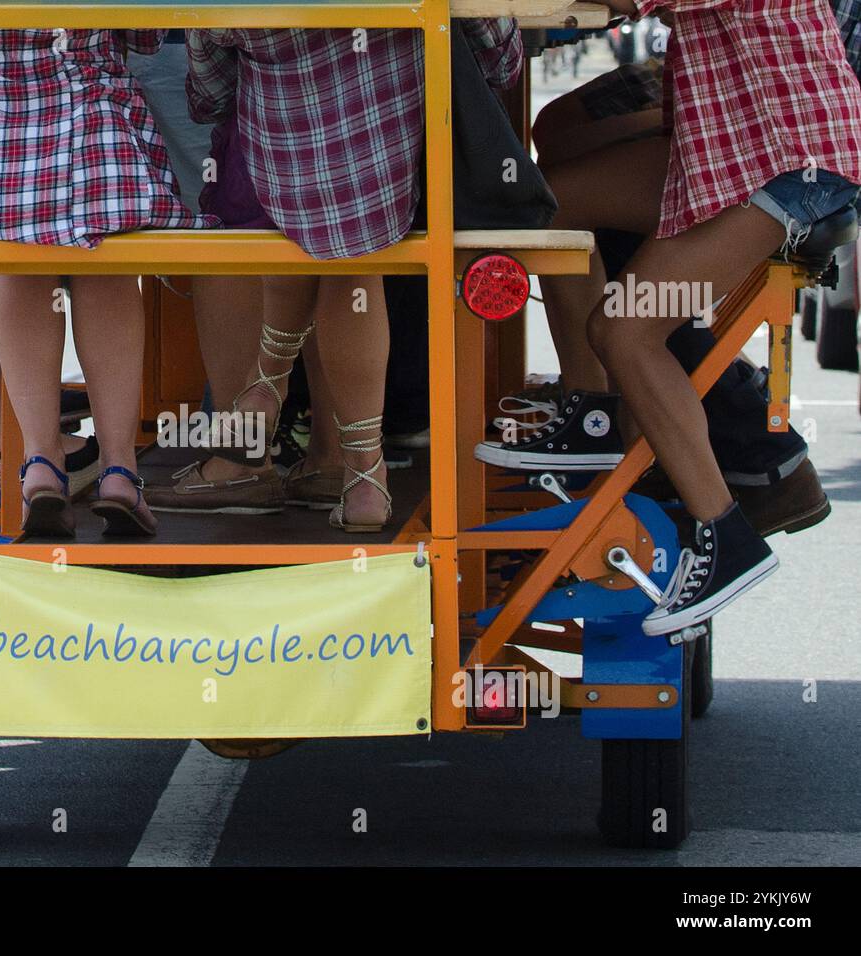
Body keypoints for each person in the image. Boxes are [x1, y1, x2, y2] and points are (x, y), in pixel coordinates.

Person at [476, 0, 861, 634]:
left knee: (624, 331)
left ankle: (727, 538)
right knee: (543, 207)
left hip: (789, 163)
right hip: (728, 146)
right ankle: (594, 415)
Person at [146, 20, 524, 532]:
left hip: (276, 149)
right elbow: (497, 53)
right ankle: (360, 474)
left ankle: (262, 395)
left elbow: (210, 86)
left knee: (272, 226)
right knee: (353, 263)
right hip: (385, 151)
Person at [0, 29, 210, 538]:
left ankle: (40, 462)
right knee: (106, 263)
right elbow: (145, 35)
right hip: (85, 104)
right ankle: (118, 470)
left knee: (15, 258)